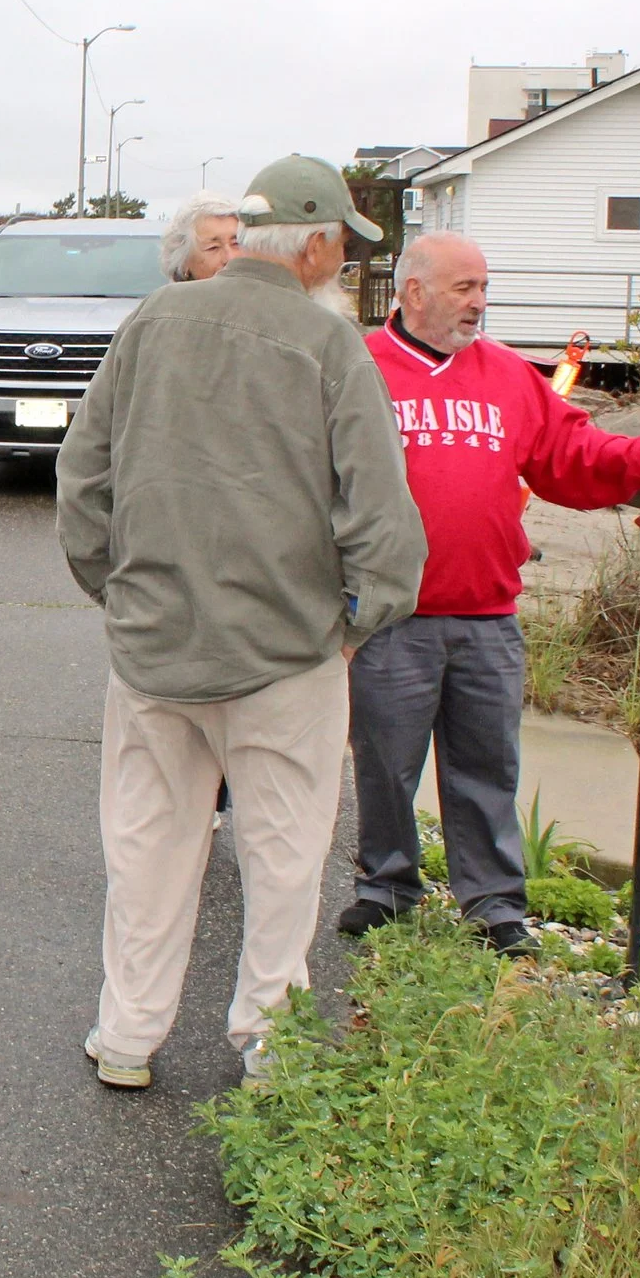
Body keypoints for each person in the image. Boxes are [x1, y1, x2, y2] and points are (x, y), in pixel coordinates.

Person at [57, 154, 426, 1091]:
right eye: (342, 245)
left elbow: (83, 476)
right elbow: (382, 516)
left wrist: (116, 593)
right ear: (314, 246)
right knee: (284, 856)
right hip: (286, 655)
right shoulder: (330, 345)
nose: (343, 260)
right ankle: (269, 1046)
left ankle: (127, 1034)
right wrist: (355, 621)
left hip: (155, 646)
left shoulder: (153, 322)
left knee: (147, 848)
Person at [338, 233, 640, 948]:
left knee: (487, 767)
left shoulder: (508, 375)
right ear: (414, 291)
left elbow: (572, 454)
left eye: (483, 287)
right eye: (464, 288)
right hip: (390, 616)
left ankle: (494, 904)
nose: (478, 302)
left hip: (487, 614)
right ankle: (386, 889)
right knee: (384, 764)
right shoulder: (359, 368)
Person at [160, 190, 240, 283]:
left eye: (236, 243)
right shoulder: (168, 293)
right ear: (184, 265)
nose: (230, 258)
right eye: (213, 248)